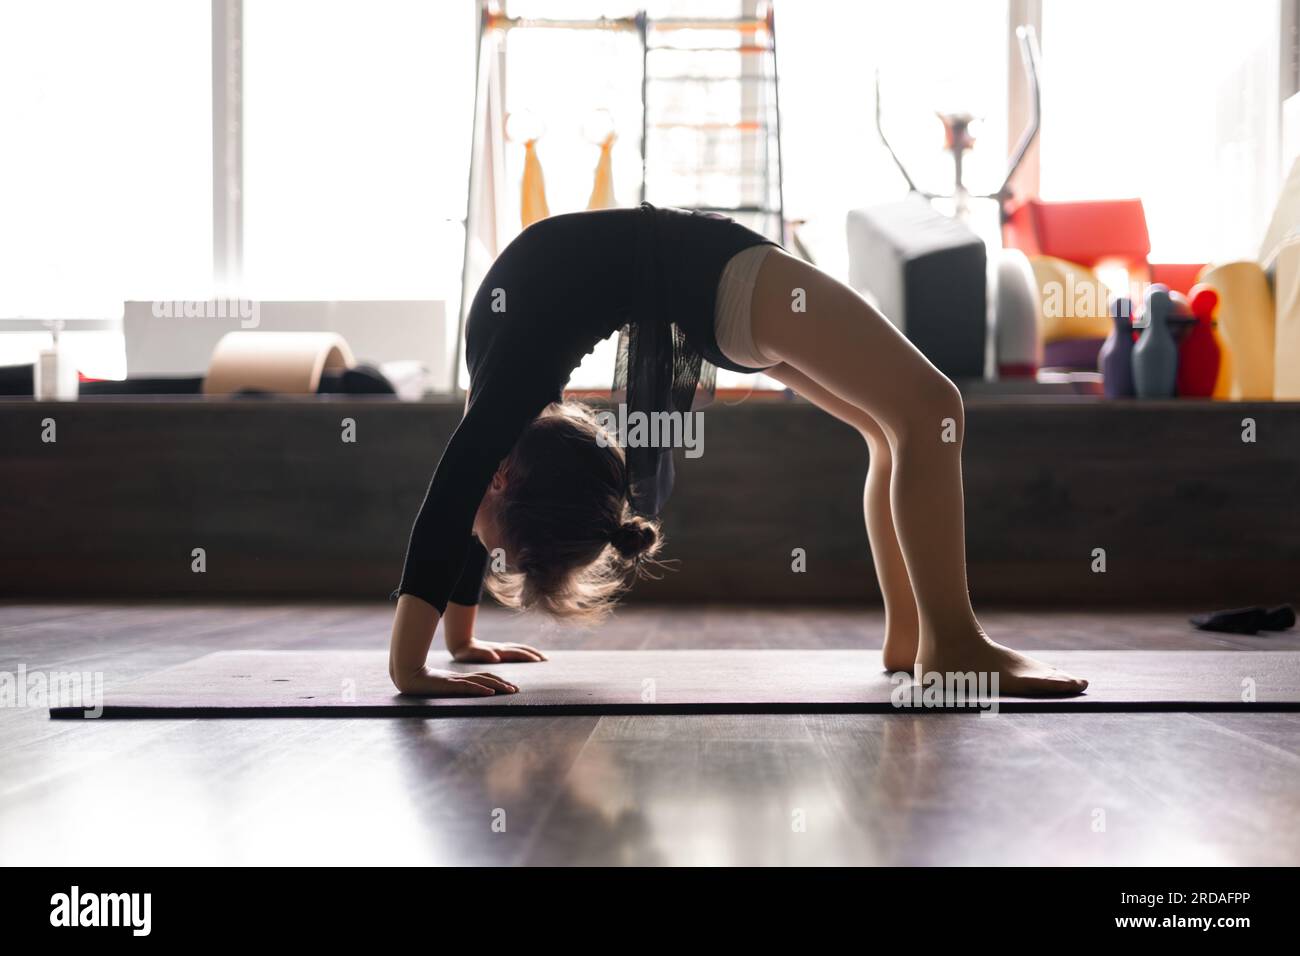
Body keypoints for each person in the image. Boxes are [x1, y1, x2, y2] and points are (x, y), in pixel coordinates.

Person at [388, 202, 1087, 697]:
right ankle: (952, 644)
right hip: (719, 284)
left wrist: (426, 659)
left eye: (488, 549)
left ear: (504, 478)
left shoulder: (503, 408)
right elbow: (472, 510)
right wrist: (442, 648)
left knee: (890, 426)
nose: (478, 555)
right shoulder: (506, 417)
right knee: (930, 411)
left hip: (715, 291)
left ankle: (915, 640)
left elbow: (455, 507)